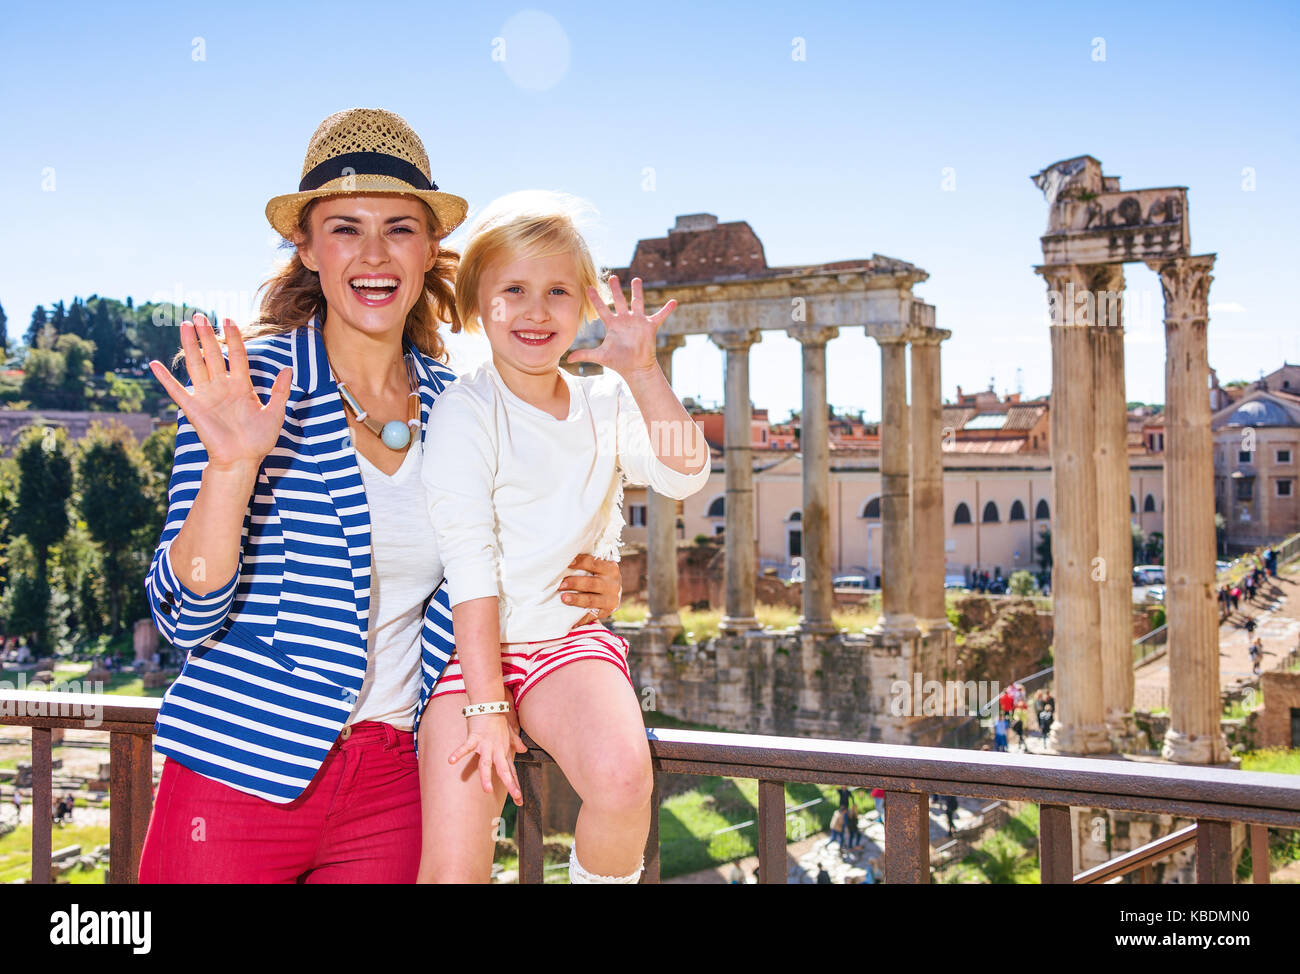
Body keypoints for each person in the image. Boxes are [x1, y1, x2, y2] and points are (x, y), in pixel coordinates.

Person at [135, 109, 622, 884]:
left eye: (399, 228)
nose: (373, 255)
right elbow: (182, 615)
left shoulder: (463, 406)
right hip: (236, 775)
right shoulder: (247, 386)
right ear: (305, 247)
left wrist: (600, 580)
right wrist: (230, 471)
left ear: (432, 251)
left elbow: (505, 563)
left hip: (399, 785)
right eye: (344, 228)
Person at [417, 192, 710, 885]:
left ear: (585, 304)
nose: (535, 310)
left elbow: (684, 474)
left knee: (621, 778)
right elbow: (469, 561)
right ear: (473, 304)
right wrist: (487, 705)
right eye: (512, 290)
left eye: (556, 291)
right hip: (469, 655)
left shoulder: (604, 405)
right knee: (453, 867)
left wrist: (642, 370)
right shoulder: (467, 410)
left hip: (568, 644)